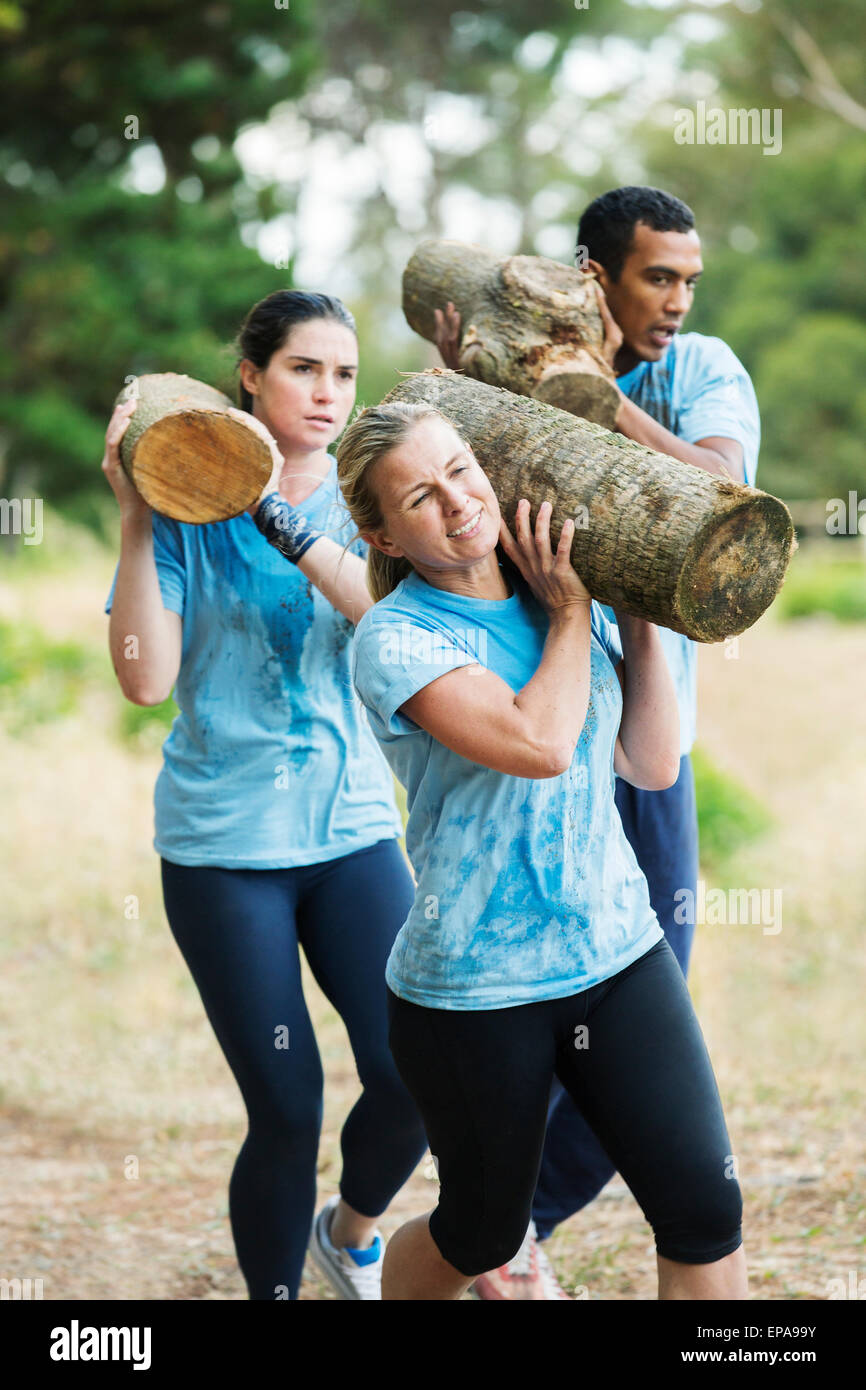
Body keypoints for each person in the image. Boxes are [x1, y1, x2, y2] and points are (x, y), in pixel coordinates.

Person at [338, 399, 748, 1301]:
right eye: (419, 497)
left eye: (460, 471)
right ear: (387, 536)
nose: (455, 503)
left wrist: (634, 614)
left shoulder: (558, 593)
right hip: (475, 984)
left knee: (705, 1219)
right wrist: (570, 613)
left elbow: (645, 762)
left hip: (615, 953)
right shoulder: (397, 639)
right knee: (480, 1234)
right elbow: (539, 745)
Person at [434, 185, 761, 1298]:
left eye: (685, 279)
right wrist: (488, 371)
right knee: (515, 1005)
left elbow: (722, 496)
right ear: (593, 275)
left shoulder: (700, 370)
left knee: (650, 989)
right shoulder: (509, 358)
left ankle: (510, 1221)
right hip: (529, 734)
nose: (672, 300)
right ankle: (472, 1221)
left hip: (647, 746)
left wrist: (598, 397)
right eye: (653, 277)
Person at [101, 290, 429, 1301]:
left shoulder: (365, 502)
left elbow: (384, 620)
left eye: (342, 372)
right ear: (251, 375)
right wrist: (136, 513)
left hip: (352, 834)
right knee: (285, 1105)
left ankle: (353, 1231)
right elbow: (144, 679)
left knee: (420, 1068)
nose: (327, 393)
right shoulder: (183, 514)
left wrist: (275, 511)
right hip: (223, 851)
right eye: (302, 369)